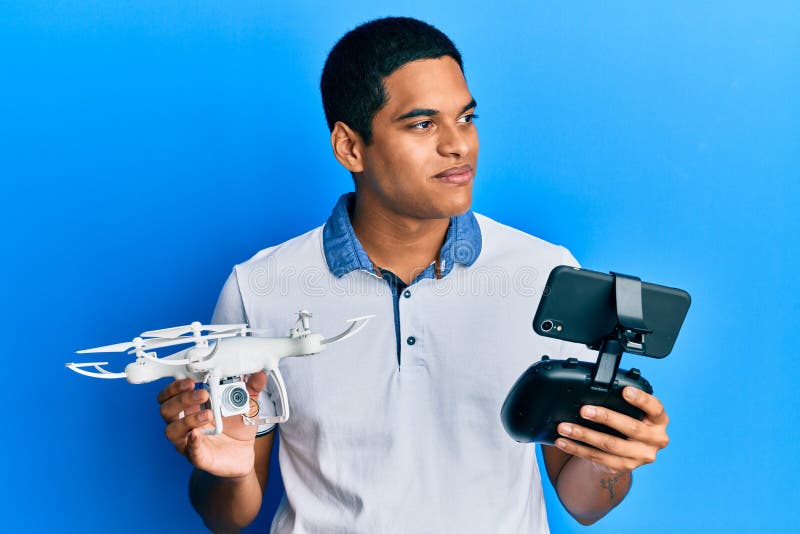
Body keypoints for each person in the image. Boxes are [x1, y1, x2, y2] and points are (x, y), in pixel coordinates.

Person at [156, 17, 670, 533]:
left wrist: (610, 461)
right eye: (423, 124)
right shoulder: (259, 288)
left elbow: (584, 504)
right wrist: (227, 472)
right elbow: (228, 516)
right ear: (349, 147)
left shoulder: (544, 274)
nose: (458, 145)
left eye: (466, 118)